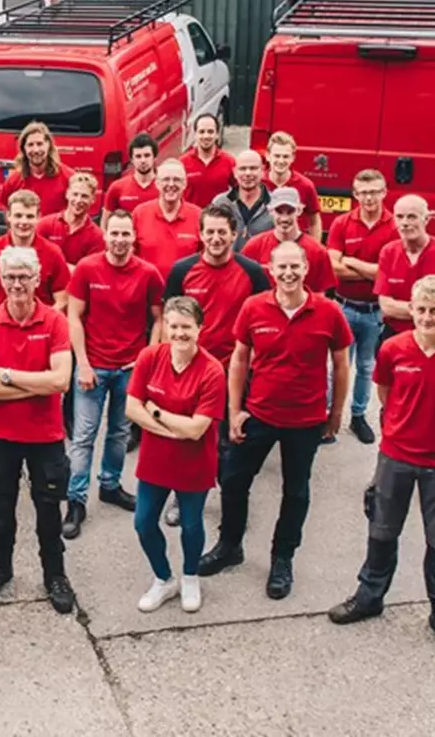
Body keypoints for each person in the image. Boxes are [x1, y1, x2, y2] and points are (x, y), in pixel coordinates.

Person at [327, 275, 435, 656]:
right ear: (410, 310)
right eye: (422, 310)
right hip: (396, 456)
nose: (428, 317)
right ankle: (370, 596)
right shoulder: (393, 349)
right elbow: (385, 392)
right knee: (381, 529)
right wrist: (402, 428)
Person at [197, 241, 351, 599]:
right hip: (260, 413)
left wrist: (336, 412)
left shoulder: (328, 312)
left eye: (295, 266)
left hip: (306, 419)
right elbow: (239, 360)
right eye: (281, 267)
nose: (288, 273)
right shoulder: (253, 307)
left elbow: (342, 365)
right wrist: (234, 411)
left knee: (295, 492)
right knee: (234, 481)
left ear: (306, 269)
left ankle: (283, 558)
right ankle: (230, 545)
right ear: (270, 270)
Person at [0, 245, 78, 614]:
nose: (17, 284)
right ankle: (0, 568)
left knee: (48, 513)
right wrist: (37, 383)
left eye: (24, 277)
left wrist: (8, 375)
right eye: (10, 277)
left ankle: (55, 576)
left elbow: (61, 381)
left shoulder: (54, 322)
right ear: (1, 280)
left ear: (37, 280)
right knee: (1, 511)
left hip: (45, 437)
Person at [162, 203, 269, 525]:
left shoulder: (252, 272)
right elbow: (170, 322)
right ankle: (182, 497)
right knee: (185, 439)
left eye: (222, 232)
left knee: (228, 443)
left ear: (234, 235)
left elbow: (264, 317)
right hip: (190, 368)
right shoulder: (183, 270)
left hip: (232, 371)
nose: (216, 238)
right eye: (209, 231)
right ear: (201, 233)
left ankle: (229, 498)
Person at [64, 209, 165, 538]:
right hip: (92, 368)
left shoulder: (148, 273)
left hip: (129, 369)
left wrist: (147, 361)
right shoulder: (87, 269)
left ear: (134, 237)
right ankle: (76, 499)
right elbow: (74, 317)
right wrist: (83, 363)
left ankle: (110, 484)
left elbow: (159, 319)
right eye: (114, 233)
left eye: (126, 234)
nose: (120, 240)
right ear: (105, 234)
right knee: (83, 436)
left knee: (120, 433)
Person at [125, 296, 226, 614]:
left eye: (186, 327)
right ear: (165, 326)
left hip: (194, 464)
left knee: (192, 525)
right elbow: (131, 408)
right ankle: (163, 578)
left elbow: (197, 429)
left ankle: (190, 576)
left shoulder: (212, 371)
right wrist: (172, 428)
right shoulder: (149, 357)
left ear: (200, 328)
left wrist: (155, 411)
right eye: (173, 326)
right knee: (143, 523)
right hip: (155, 461)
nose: (179, 333)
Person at [326, 169, 396, 445]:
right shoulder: (343, 223)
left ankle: (358, 415)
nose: (369, 198)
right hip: (343, 307)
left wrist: (351, 261)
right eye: (364, 192)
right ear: (355, 195)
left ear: (384, 192)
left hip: (373, 310)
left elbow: (388, 273)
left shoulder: (393, 227)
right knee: (338, 364)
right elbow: (333, 266)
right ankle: (330, 415)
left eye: (375, 192)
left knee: (367, 366)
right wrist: (372, 270)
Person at [374, 195, 435, 349]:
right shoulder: (388, 252)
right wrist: (432, 310)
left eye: (412, 217)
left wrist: (408, 309)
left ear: (426, 219)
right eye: (400, 217)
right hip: (394, 337)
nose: (405, 223)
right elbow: (387, 306)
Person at [0, 190, 70, 316]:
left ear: (39, 217)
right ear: (8, 216)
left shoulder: (53, 253)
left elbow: (62, 300)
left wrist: (44, 324)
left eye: (29, 216)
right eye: (18, 216)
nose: (23, 222)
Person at [240, 189, 337, 295]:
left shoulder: (317, 251)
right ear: (270, 211)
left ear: (299, 211)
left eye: (290, 211)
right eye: (279, 211)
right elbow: (241, 287)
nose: (284, 218)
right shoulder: (254, 247)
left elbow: (321, 296)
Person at [132, 159, 201, 272]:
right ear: (157, 183)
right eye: (166, 179)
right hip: (149, 288)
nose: (171, 184)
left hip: (185, 288)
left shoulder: (198, 215)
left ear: (185, 184)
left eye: (177, 180)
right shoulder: (139, 214)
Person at [0, 121, 73, 216]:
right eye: (30, 145)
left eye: (40, 144)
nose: (36, 150)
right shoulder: (14, 180)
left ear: (48, 145)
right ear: (24, 148)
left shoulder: (68, 177)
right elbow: (6, 208)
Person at [263, 131, 322, 240]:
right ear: (267, 156)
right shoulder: (258, 183)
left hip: (295, 248)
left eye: (285, 156)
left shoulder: (305, 185)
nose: (281, 161)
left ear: (293, 157)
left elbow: (314, 222)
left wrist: (314, 248)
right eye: (277, 156)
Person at [212, 149, 273, 252]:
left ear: (262, 171)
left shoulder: (274, 205)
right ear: (235, 172)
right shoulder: (221, 204)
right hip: (228, 266)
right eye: (243, 169)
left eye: (253, 168)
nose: (248, 173)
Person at [37, 172, 104, 267]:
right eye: (75, 194)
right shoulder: (44, 225)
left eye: (84, 196)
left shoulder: (97, 236)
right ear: (67, 194)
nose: (78, 200)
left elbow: (90, 272)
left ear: (93, 199)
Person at [180, 113, 236, 205]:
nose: (206, 136)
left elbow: (239, 191)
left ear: (217, 134)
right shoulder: (183, 163)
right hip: (193, 218)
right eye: (201, 132)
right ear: (195, 135)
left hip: (219, 217)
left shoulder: (229, 161)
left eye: (210, 132)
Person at [104, 133, 159, 213]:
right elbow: (105, 222)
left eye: (147, 155)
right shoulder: (116, 188)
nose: (143, 160)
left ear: (154, 158)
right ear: (132, 160)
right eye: (138, 156)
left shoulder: (164, 188)